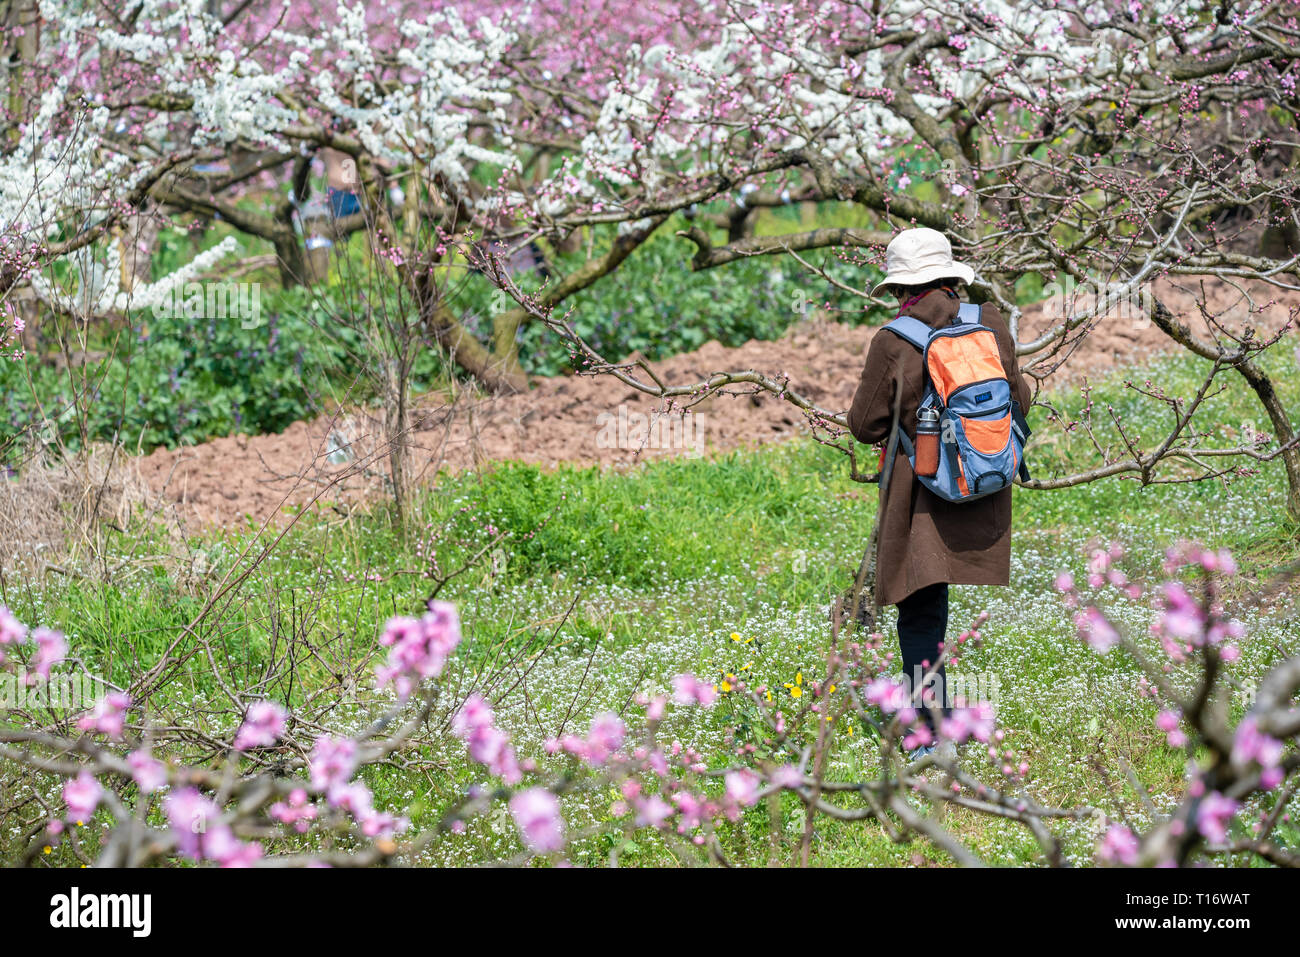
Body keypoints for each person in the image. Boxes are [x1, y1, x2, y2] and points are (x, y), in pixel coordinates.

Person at [847, 228, 1032, 763]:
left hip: (921, 492)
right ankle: (946, 717)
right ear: (952, 277)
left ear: (900, 286)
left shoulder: (893, 339)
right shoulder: (988, 321)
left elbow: (864, 424)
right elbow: (1019, 398)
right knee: (936, 611)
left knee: (920, 612)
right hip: (981, 481)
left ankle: (929, 735)